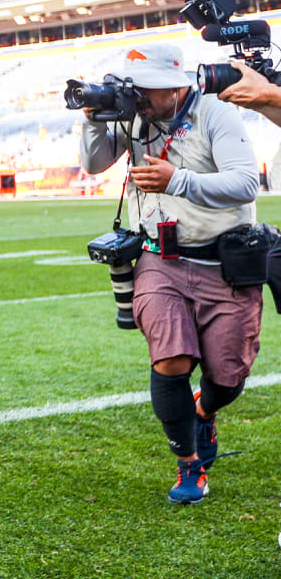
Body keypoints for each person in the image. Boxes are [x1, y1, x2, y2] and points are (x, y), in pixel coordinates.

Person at [80, 43, 260, 505]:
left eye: (147, 89)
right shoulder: (135, 116)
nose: (138, 97)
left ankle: (206, 410)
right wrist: (93, 118)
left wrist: (177, 180)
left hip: (224, 263)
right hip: (159, 260)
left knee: (227, 378)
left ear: (176, 87)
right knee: (171, 360)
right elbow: (94, 163)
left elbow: (245, 183)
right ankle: (189, 464)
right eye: (134, 88)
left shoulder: (216, 113)